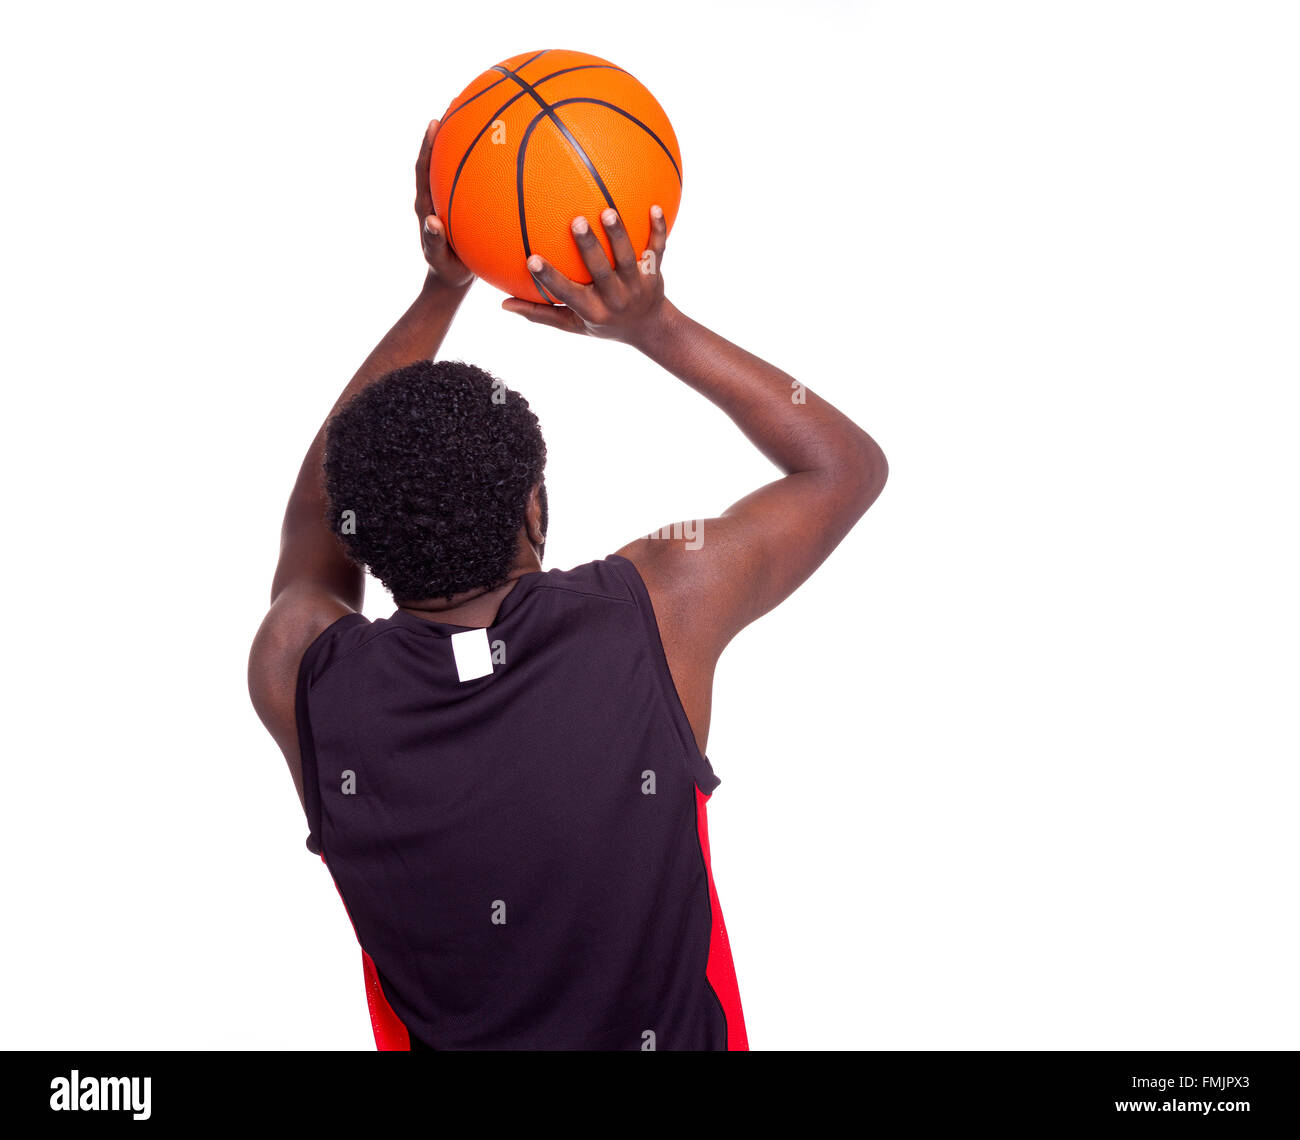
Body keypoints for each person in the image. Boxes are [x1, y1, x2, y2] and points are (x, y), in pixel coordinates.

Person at [248, 120, 888, 1050]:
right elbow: (844, 468)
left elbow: (312, 525)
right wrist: (651, 324)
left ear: (362, 533)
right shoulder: (653, 611)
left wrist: (440, 289)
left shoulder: (300, 672)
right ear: (536, 509)